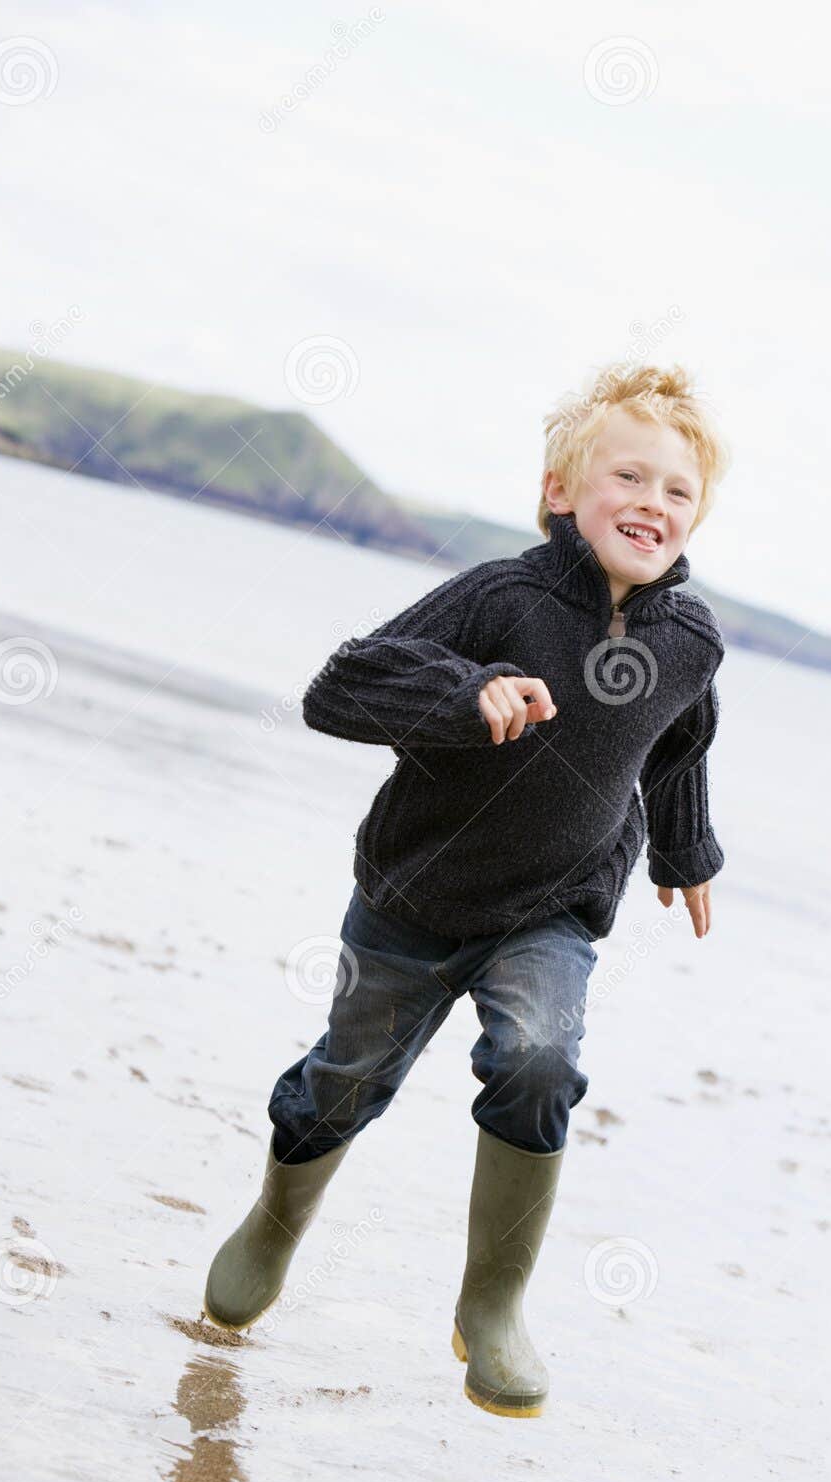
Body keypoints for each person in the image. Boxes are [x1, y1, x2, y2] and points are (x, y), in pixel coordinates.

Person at [203, 361, 731, 1417]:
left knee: (537, 1060)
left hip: (549, 911)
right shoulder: (501, 596)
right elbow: (340, 685)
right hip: (413, 895)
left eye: (677, 491)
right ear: (559, 493)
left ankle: (490, 1306)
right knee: (344, 1080)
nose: (651, 503)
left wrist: (685, 854)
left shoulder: (689, 641)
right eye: (627, 476)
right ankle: (274, 1222)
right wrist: (463, 690)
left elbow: (676, 746)